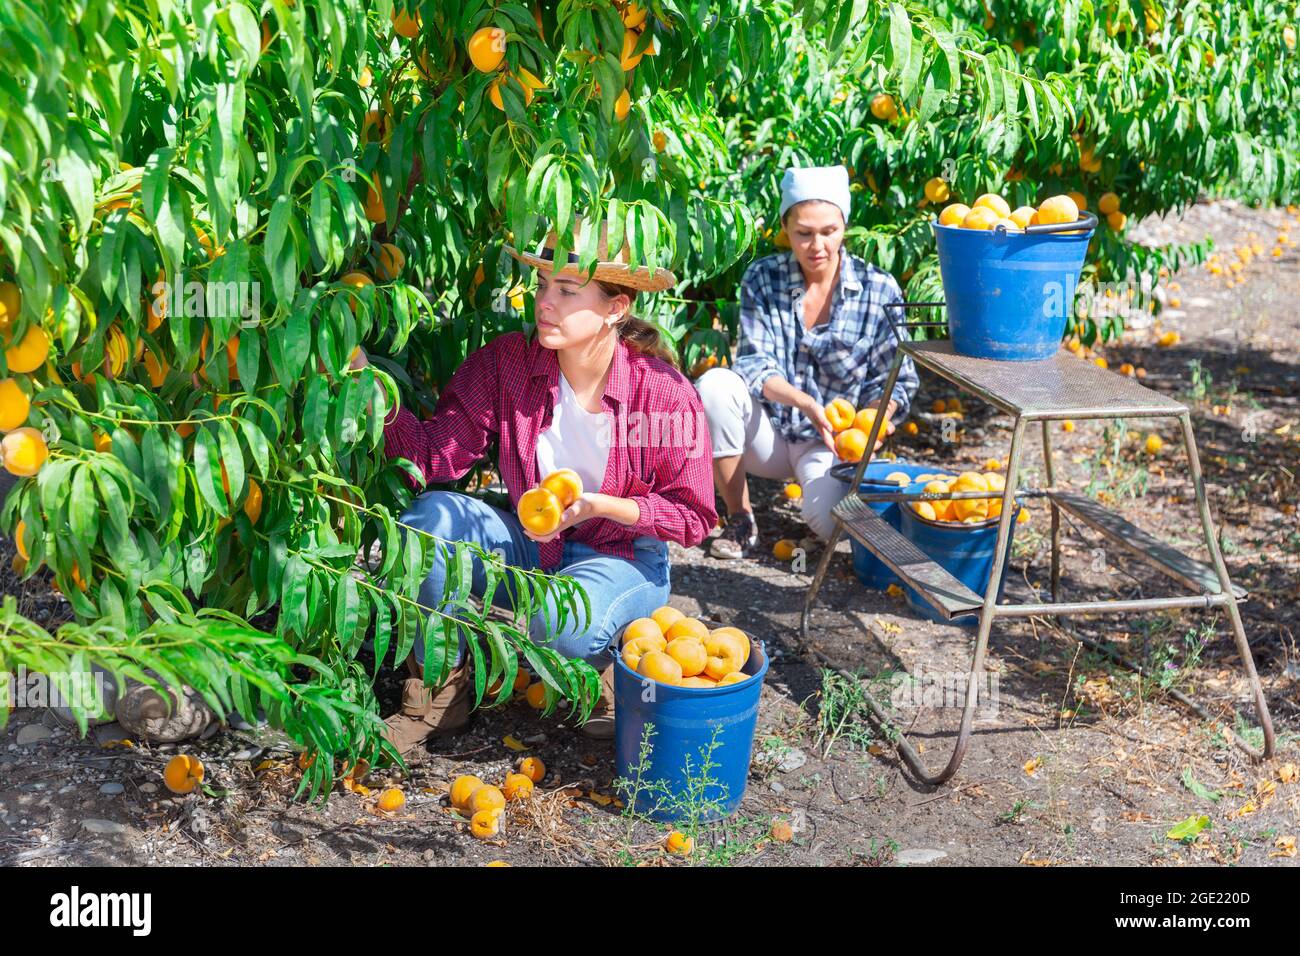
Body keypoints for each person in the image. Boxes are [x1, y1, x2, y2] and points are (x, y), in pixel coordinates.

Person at [354, 222, 716, 753]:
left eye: (567, 292)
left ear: (617, 307)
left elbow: (695, 517)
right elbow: (434, 456)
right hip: (529, 540)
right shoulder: (508, 364)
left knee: (558, 624)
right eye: (543, 285)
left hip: (621, 554)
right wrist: (367, 384)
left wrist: (601, 506)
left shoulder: (662, 394)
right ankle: (442, 683)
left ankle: (615, 659)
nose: (544, 302)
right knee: (425, 526)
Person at [697, 165, 919, 559]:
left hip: (831, 444)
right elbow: (752, 363)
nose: (817, 245)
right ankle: (740, 517)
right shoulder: (764, 278)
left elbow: (897, 379)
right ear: (785, 228)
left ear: (844, 226)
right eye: (804, 233)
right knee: (715, 385)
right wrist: (804, 403)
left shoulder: (879, 288)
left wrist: (870, 423)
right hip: (768, 433)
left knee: (835, 527)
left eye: (829, 231)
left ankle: (823, 508)